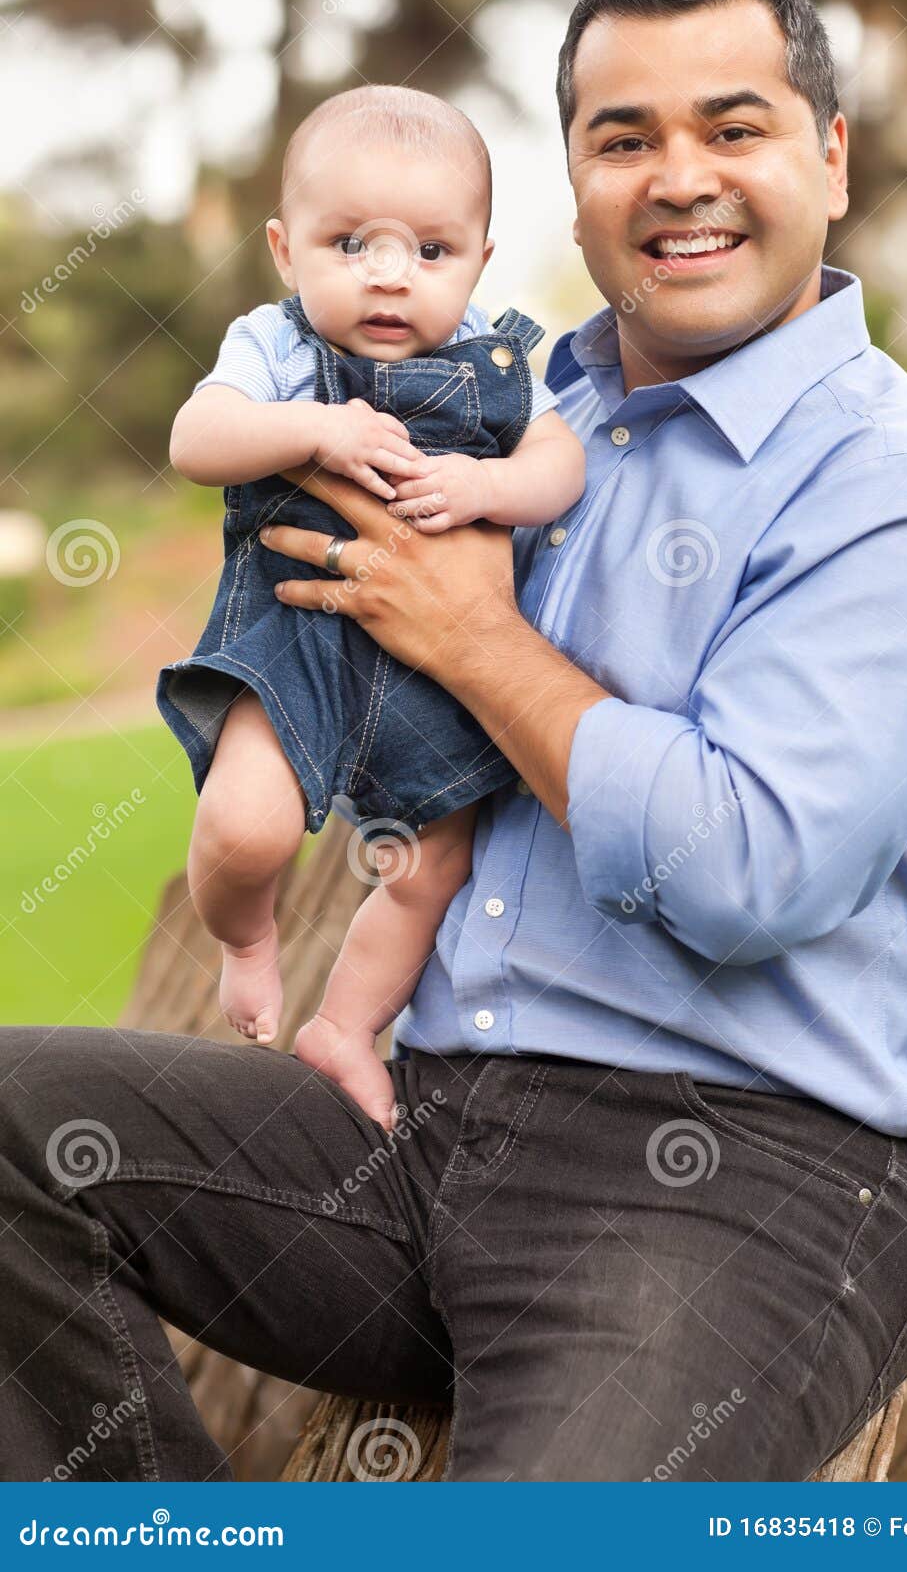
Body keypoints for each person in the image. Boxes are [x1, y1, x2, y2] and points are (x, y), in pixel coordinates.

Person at [0, 0, 907, 1482]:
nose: (677, 178)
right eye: (623, 138)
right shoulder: (509, 402)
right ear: (571, 183)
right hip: (418, 1132)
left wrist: (477, 640)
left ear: (828, 157)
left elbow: (745, 870)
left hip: (733, 1189)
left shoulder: (897, 497)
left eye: (732, 126)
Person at [156, 86, 585, 1132]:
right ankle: (246, 937)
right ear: (285, 248)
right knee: (245, 826)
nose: (390, 273)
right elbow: (195, 439)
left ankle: (345, 1026)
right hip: (296, 641)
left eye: (431, 251)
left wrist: (489, 490)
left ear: (481, 260)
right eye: (350, 242)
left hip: (438, 672)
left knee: (432, 865)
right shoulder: (273, 348)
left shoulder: (493, 352)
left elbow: (558, 459)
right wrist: (310, 430)